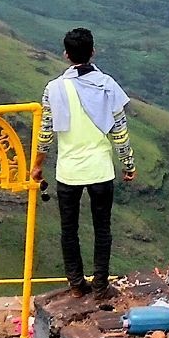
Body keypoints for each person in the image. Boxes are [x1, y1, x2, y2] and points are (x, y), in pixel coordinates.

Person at [31, 27, 135, 298]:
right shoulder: (108, 85)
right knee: (102, 228)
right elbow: (119, 131)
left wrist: (38, 164)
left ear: (66, 54)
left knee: (69, 230)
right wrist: (128, 164)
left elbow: (45, 134)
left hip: (68, 172)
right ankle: (101, 284)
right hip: (101, 170)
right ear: (93, 51)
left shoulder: (53, 89)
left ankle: (76, 284)